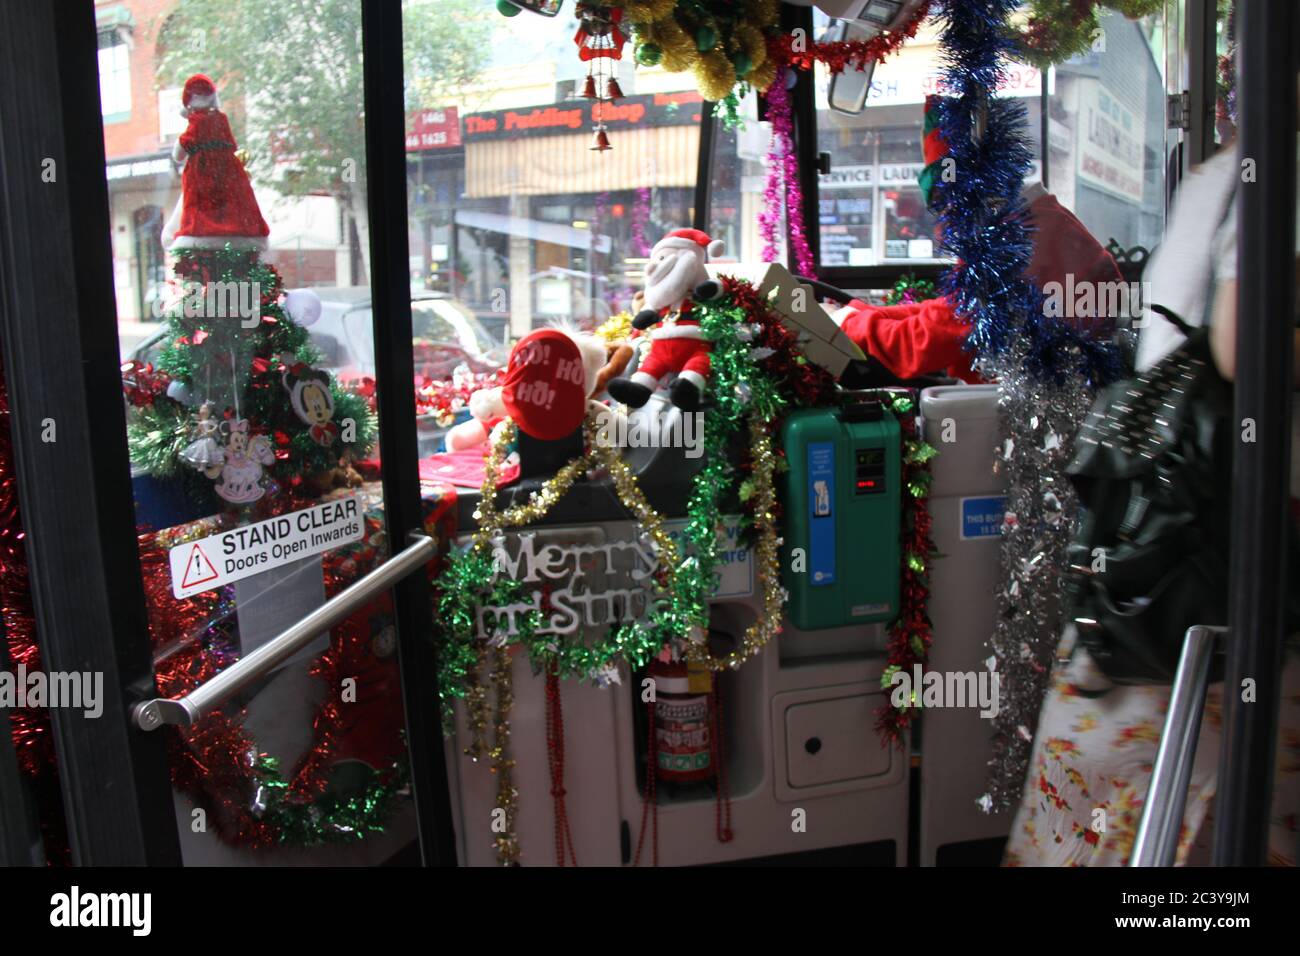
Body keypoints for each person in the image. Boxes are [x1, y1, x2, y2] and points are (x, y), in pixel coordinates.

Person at [1005, 71, 1300, 867]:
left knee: (1107, 806)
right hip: (1218, 552)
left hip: (1150, 545)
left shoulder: (1218, 175)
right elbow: (1249, 345)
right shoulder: (1281, 174)